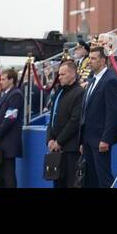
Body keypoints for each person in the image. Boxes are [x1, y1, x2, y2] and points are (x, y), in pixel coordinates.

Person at [80, 46, 117, 186]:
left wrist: (106, 139)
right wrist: (82, 141)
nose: (89, 62)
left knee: (104, 178)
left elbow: (112, 113)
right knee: (90, 178)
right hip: (88, 139)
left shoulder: (110, 81)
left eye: (93, 59)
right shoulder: (92, 80)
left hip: (100, 139)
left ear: (103, 61)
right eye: (89, 58)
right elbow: (86, 111)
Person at [46, 59, 85, 188]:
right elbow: (52, 117)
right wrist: (50, 139)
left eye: (63, 74)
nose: (59, 78)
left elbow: (75, 121)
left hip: (70, 150)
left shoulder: (79, 93)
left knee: (71, 184)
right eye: (59, 74)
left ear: (73, 74)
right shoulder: (59, 92)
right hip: (56, 151)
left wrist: (59, 141)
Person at [0, 68, 23, 188]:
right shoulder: (5, 95)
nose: (0, 82)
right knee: (0, 177)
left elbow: (10, 119)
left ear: (11, 80)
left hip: (8, 143)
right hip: (1, 144)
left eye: (3, 79)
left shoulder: (16, 94)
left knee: (8, 177)